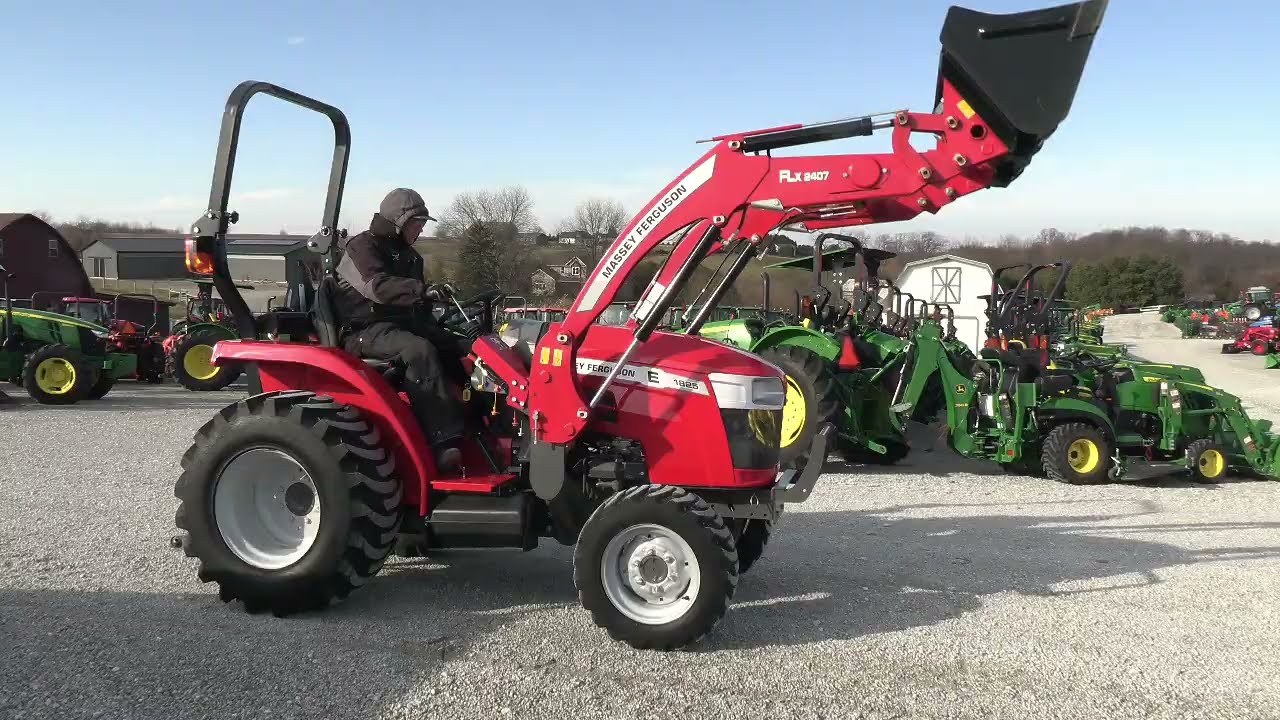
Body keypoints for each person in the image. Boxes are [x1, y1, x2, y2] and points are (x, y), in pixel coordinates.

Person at [333, 188, 466, 471]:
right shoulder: (362, 248)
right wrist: (423, 290)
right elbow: (376, 287)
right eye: (417, 223)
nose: (420, 229)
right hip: (363, 330)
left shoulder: (411, 257)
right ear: (398, 221)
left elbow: (418, 307)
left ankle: (477, 420)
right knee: (418, 351)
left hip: (399, 326)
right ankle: (442, 439)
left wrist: (438, 316)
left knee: (457, 346)